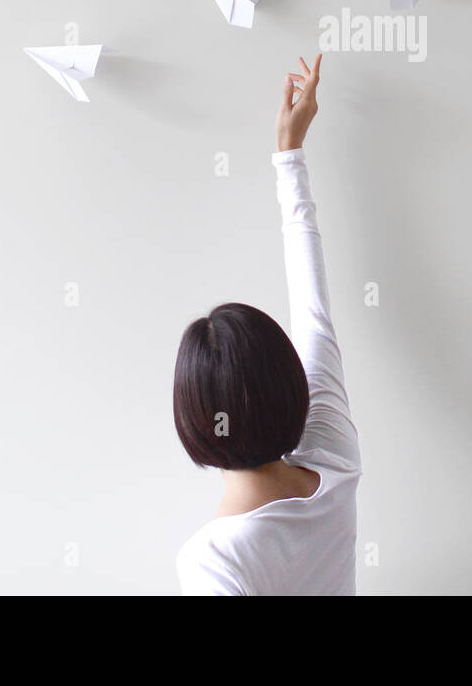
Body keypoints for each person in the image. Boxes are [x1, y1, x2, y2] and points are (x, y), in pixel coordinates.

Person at [173, 54, 361, 595]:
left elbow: (313, 316)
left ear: (193, 419)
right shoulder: (333, 459)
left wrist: (290, 155)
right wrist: (289, 156)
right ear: (291, 387)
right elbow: (313, 312)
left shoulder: (213, 562)